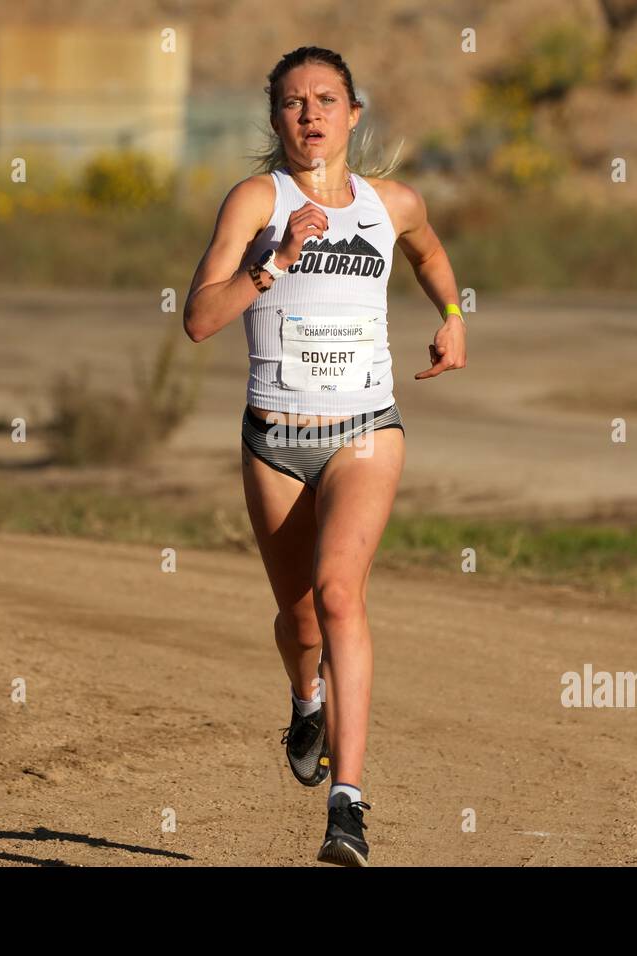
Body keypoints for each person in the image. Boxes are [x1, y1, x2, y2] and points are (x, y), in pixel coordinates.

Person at [183, 46, 466, 866]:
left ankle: (348, 804)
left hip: (365, 431)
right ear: (275, 119)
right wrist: (272, 263)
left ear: (353, 114)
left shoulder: (393, 204)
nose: (311, 115)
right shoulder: (255, 201)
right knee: (300, 619)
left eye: (326, 100)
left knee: (341, 595)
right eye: (294, 102)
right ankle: (305, 701)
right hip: (275, 440)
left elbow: (430, 254)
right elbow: (200, 318)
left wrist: (451, 314)